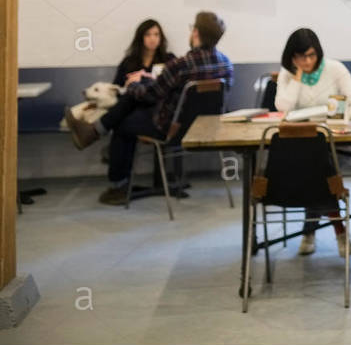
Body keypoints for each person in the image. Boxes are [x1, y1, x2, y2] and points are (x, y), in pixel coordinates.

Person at [68, 11, 234, 205]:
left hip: (171, 129)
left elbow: (151, 95)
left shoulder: (180, 65)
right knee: (131, 109)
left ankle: (118, 185)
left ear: (196, 33)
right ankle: (95, 132)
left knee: (122, 124)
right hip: (207, 128)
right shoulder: (226, 64)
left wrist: (133, 85)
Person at [274, 28, 351, 256]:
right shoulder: (287, 74)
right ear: (291, 57)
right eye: (300, 57)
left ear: (319, 53)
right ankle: (339, 230)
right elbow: (283, 107)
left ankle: (310, 232)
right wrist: (297, 77)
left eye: (311, 55)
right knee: (320, 171)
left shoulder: (335, 69)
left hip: (335, 144)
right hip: (300, 147)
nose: (306, 61)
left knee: (320, 169)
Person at [112, 19, 175, 86]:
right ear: (140, 38)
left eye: (156, 34)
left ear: (161, 37)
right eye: (147, 34)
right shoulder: (128, 62)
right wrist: (128, 84)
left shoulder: (169, 60)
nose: (152, 38)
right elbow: (116, 88)